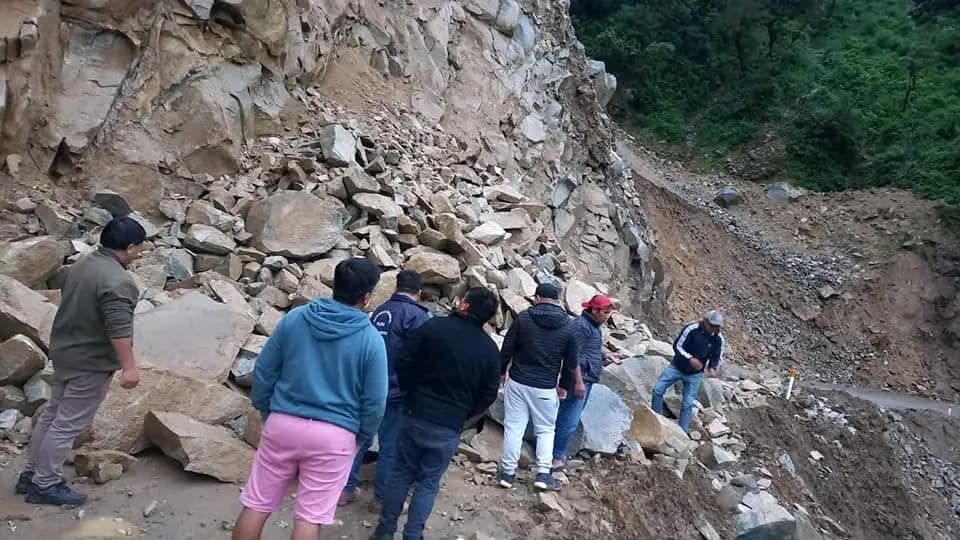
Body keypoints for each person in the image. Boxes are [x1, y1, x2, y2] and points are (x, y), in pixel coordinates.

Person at [232, 257, 388, 540]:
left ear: (334, 285)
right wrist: (360, 437)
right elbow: (375, 402)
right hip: (335, 436)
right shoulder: (371, 339)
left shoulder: (295, 318)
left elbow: (265, 371)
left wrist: (269, 411)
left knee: (256, 503)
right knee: (309, 517)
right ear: (366, 297)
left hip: (283, 422)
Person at [18, 216, 146, 506]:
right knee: (66, 424)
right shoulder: (118, 281)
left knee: (52, 415)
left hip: (65, 351)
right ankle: (45, 484)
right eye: (139, 247)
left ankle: (30, 474)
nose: (141, 252)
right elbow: (119, 328)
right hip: (90, 362)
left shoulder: (84, 264)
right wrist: (129, 366)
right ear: (128, 247)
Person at [372, 287, 500, 540]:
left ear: (464, 305)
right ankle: (413, 534)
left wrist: (412, 391)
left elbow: (403, 361)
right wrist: (464, 414)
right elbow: (488, 395)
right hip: (449, 424)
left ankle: (384, 532)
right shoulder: (489, 350)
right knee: (428, 483)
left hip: (415, 413)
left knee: (401, 472)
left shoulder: (433, 328)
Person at [340, 270, 430, 509]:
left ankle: (344, 490)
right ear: (418, 292)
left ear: (396, 287)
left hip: (369, 387)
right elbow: (422, 358)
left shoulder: (379, 311)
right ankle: (382, 499)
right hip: (398, 392)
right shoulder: (418, 316)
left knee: (360, 440)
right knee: (391, 446)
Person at [498, 282, 581, 491]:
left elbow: (507, 348)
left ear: (536, 297)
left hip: (517, 382)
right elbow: (571, 361)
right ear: (557, 300)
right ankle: (543, 474)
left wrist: (500, 371)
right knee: (545, 431)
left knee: (514, 428)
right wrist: (564, 386)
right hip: (545, 387)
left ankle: (507, 473)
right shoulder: (569, 325)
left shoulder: (524, 318)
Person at [552, 294, 621, 470]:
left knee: (569, 417)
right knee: (569, 420)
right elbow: (572, 356)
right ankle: (556, 455)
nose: (608, 316)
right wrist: (579, 381)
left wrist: (606, 355)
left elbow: (590, 349)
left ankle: (554, 451)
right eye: (605, 312)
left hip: (587, 379)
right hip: (578, 381)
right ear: (595, 310)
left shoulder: (593, 325)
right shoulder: (581, 326)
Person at [651, 310, 726, 432]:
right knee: (658, 390)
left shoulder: (718, 338)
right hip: (677, 367)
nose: (714, 329)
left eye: (717, 326)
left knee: (687, 404)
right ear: (705, 321)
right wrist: (690, 358)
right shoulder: (692, 329)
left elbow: (717, 355)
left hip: (695, 374)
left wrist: (712, 367)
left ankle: (682, 431)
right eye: (712, 325)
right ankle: (655, 419)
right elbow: (677, 346)